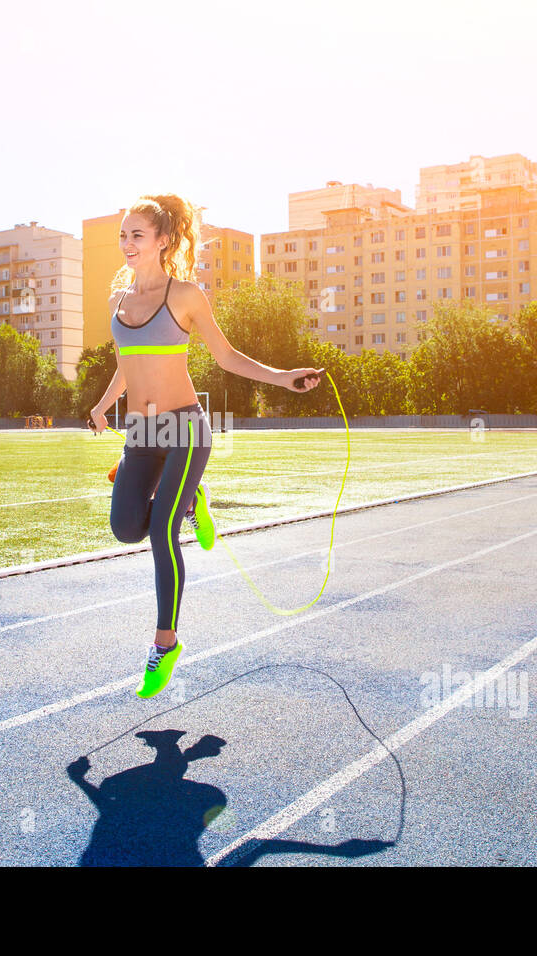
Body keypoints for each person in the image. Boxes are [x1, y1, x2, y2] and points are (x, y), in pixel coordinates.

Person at [88, 194, 322, 699]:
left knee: (161, 534)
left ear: (164, 240)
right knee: (126, 527)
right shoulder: (118, 302)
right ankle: (193, 498)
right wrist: (104, 405)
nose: (127, 244)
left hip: (185, 430)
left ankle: (164, 642)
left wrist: (282, 377)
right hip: (143, 434)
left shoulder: (186, 296)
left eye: (137, 235)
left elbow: (227, 356)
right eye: (123, 236)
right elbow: (127, 364)